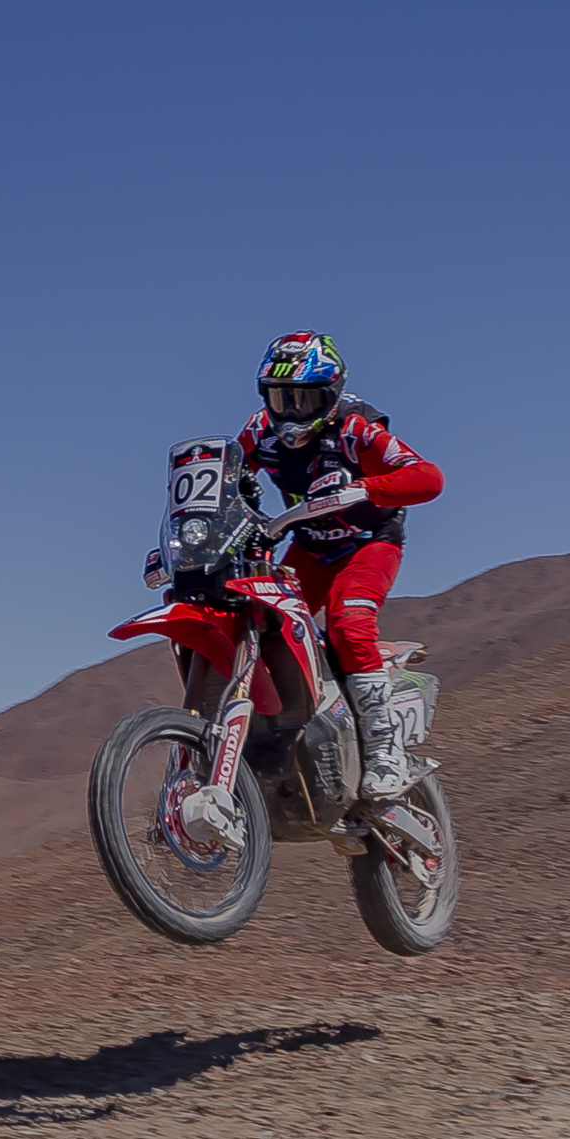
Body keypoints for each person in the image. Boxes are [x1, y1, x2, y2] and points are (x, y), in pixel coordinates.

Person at [240, 332, 444, 798]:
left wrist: (367, 488)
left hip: (368, 544)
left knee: (349, 623)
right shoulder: (257, 432)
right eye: (281, 397)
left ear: (330, 394)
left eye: (305, 398)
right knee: (259, 620)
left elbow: (428, 477)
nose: (292, 411)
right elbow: (227, 476)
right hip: (308, 547)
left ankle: (384, 751)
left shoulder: (356, 430)